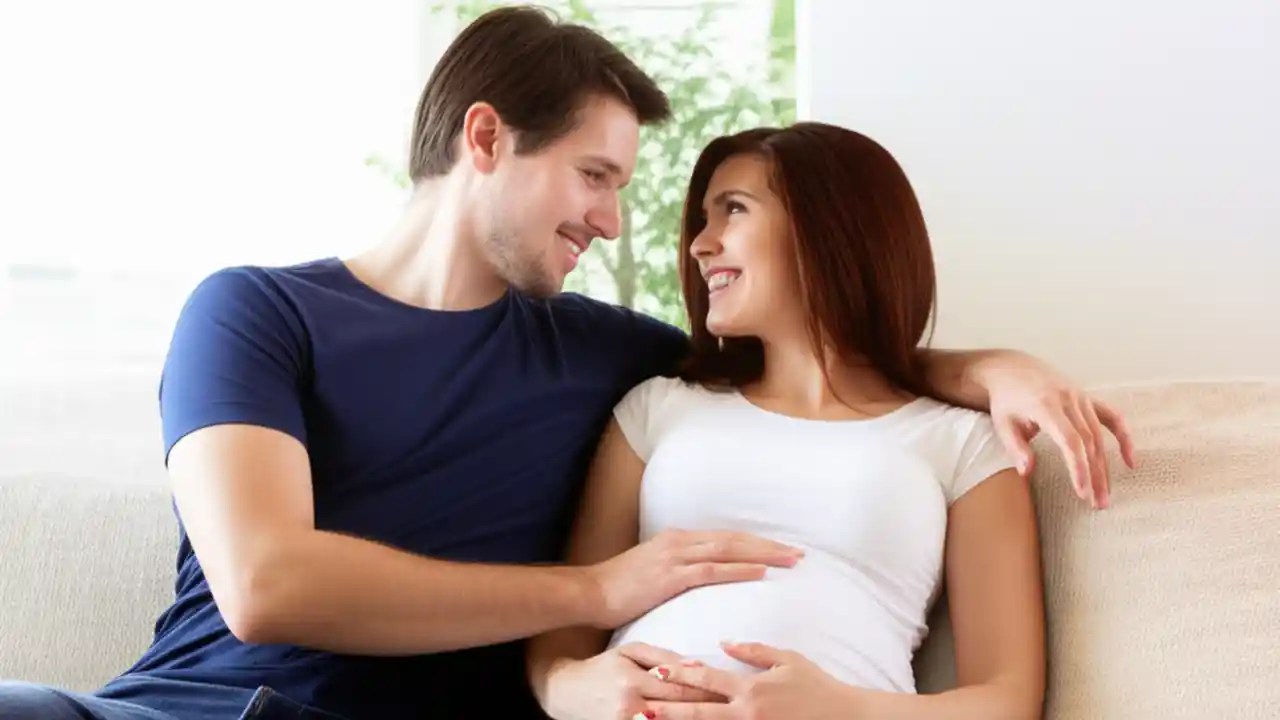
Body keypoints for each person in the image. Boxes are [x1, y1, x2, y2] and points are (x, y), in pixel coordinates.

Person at [0, 7, 1134, 720]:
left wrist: (990, 367)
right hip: (184, 707)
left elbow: (814, 368)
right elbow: (267, 585)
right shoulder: (253, 313)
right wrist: (596, 597)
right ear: (485, 139)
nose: (614, 221)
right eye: (594, 175)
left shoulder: (620, 367)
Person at [528, 122, 1063, 720]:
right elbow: (561, 640)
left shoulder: (964, 442)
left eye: (733, 209)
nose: (700, 244)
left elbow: (1008, 700)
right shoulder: (655, 409)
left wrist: (846, 711)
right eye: (703, 220)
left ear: (826, 229)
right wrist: (569, 689)